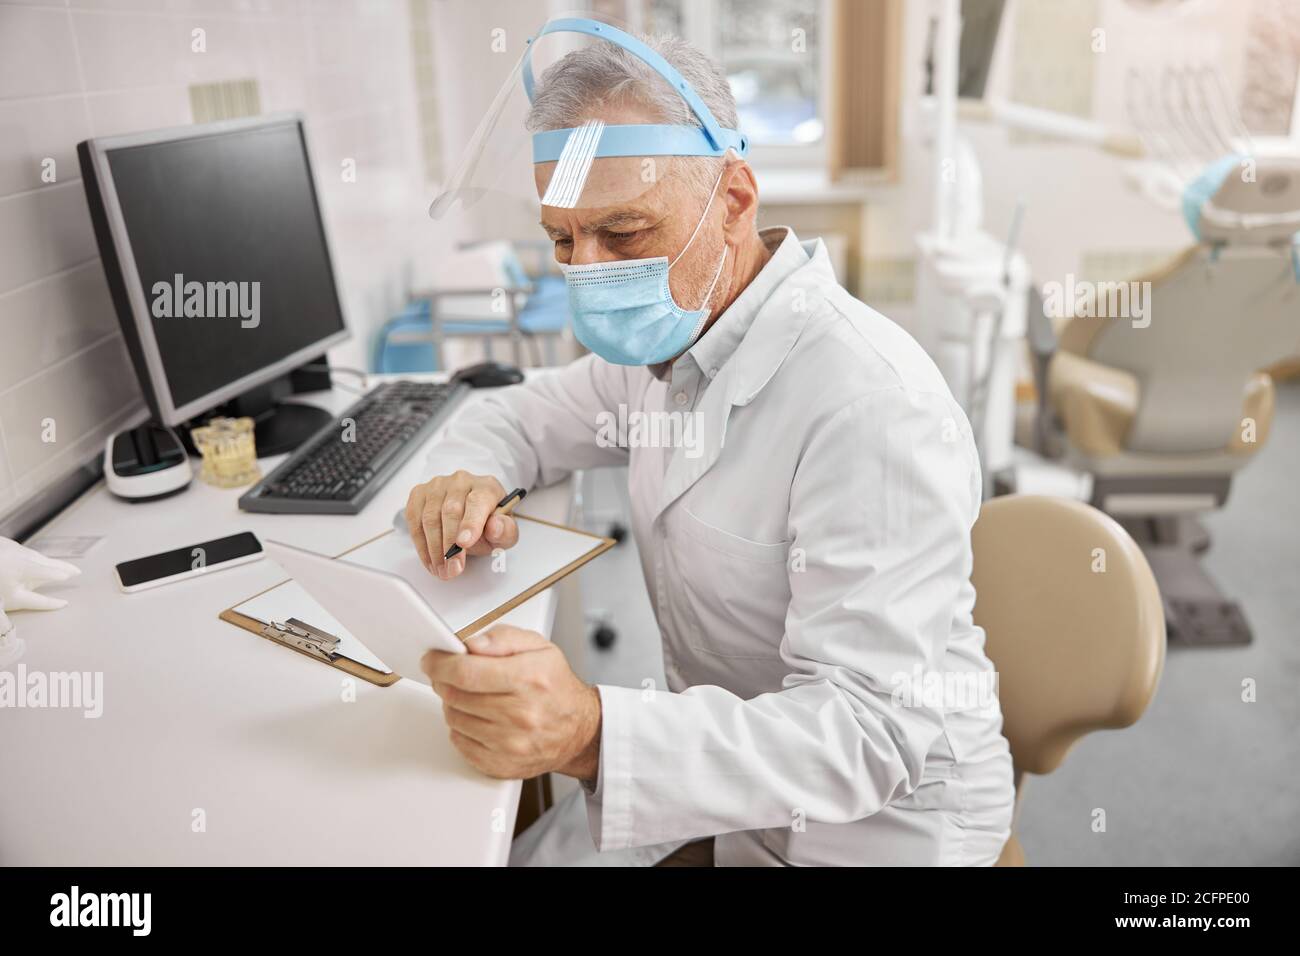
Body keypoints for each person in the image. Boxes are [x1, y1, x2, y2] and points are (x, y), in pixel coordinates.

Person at [407, 19, 1014, 866]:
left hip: (881, 830)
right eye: (562, 239)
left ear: (732, 203)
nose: (588, 272)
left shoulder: (872, 406)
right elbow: (516, 415)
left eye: (623, 234)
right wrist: (462, 478)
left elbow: (869, 734)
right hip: (727, 787)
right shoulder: (666, 342)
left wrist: (590, 734)